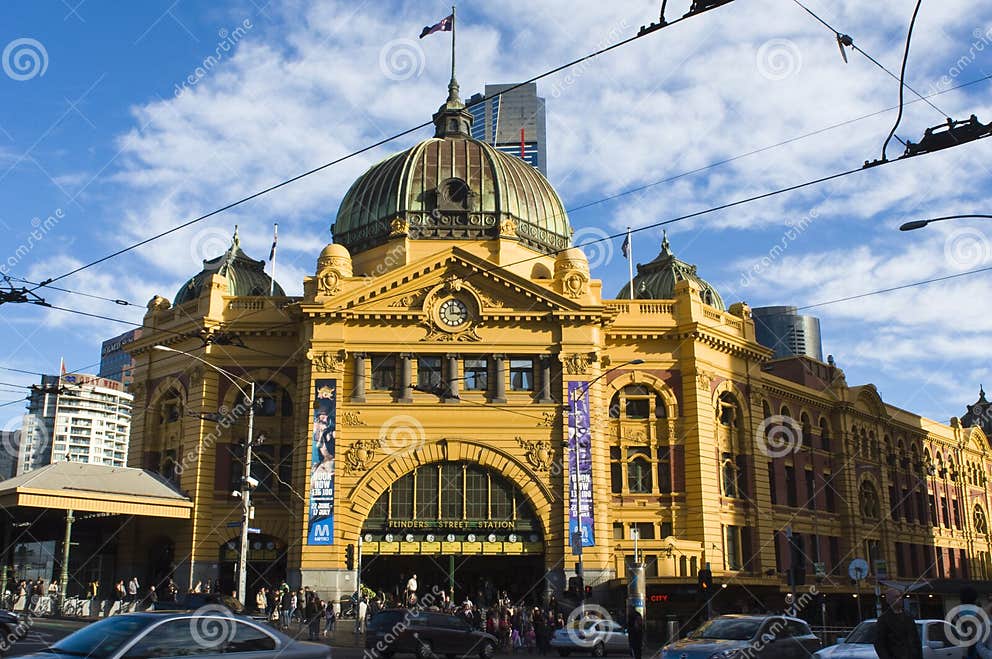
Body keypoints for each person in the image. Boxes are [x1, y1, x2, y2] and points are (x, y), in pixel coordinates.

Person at [873, 586, 922, 659]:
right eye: (896, 597)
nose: (900, 599)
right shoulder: (884, 619)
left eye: (900, 596)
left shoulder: (908, 617)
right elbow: (879, 643)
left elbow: (916, 639)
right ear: (889, 600)